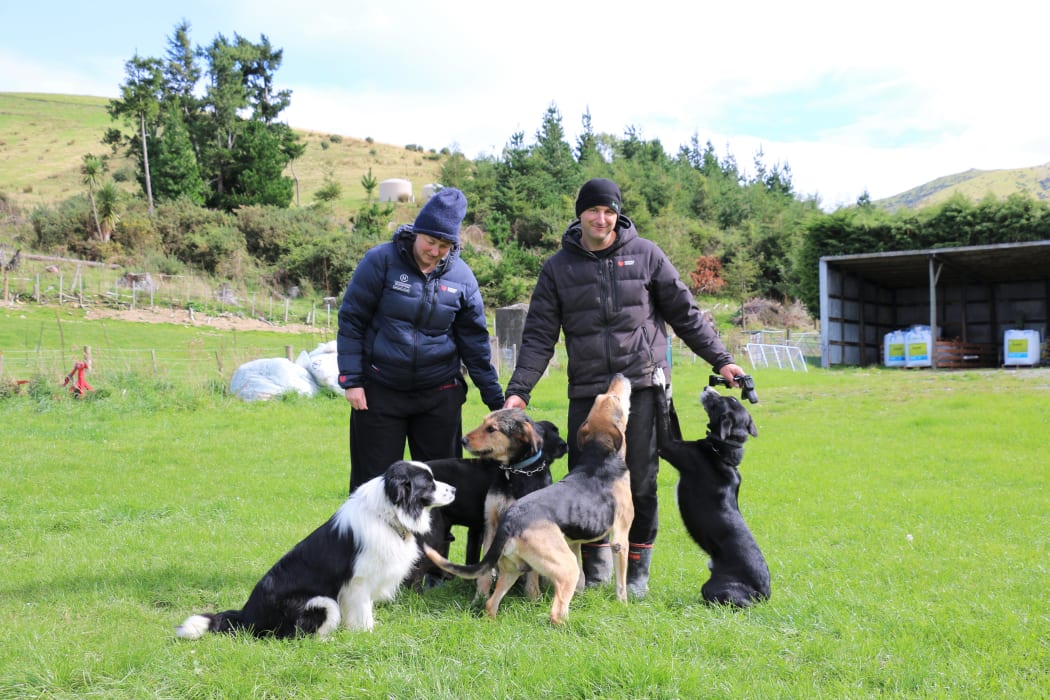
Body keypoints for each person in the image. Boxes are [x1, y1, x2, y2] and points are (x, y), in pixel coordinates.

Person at [503, 178, 746, 598]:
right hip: (587, 392)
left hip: (642, 390)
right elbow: (539, 335)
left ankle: (636, 572)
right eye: (594, 210)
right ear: (580, 214)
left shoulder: (646, 255)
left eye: (609, 211)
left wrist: (722, 360)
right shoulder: (558, 268)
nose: (602, 218)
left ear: (618, 214)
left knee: (641, 482)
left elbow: (686, 315)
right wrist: (520, 389)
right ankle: (595, 569)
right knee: (584, 481)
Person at [337, 186, 505, 499]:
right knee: (372, 490)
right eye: (430, 241)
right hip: (380, 392)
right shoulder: (380, 262)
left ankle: (432, 549)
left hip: (439, 394)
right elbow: (352, 320)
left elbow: (475, 344)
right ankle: (370, 549)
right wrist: (352, 379)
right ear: (417, 232)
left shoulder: (462, 278)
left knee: (438, 490)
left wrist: (496, 400)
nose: (435, 250)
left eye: (444, 245)